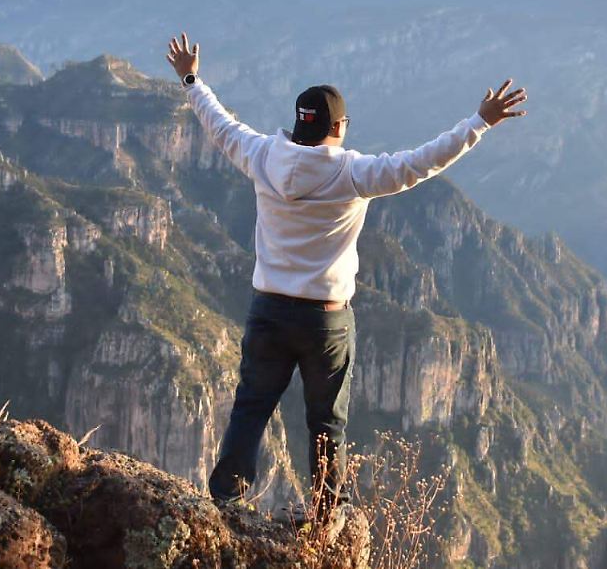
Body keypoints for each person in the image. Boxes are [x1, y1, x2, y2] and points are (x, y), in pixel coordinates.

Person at [165, 32, 527, 514]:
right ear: (339, 127)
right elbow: (422, 162)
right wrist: (479, 123)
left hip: (268, 311)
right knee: (326, 422)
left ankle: (227, 499)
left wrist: (192, 78)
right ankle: (325, 514)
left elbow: (219, 124)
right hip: (325, 321)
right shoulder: (354, 174)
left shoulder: (261, 155)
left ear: (299, 125)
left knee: (251, 407)